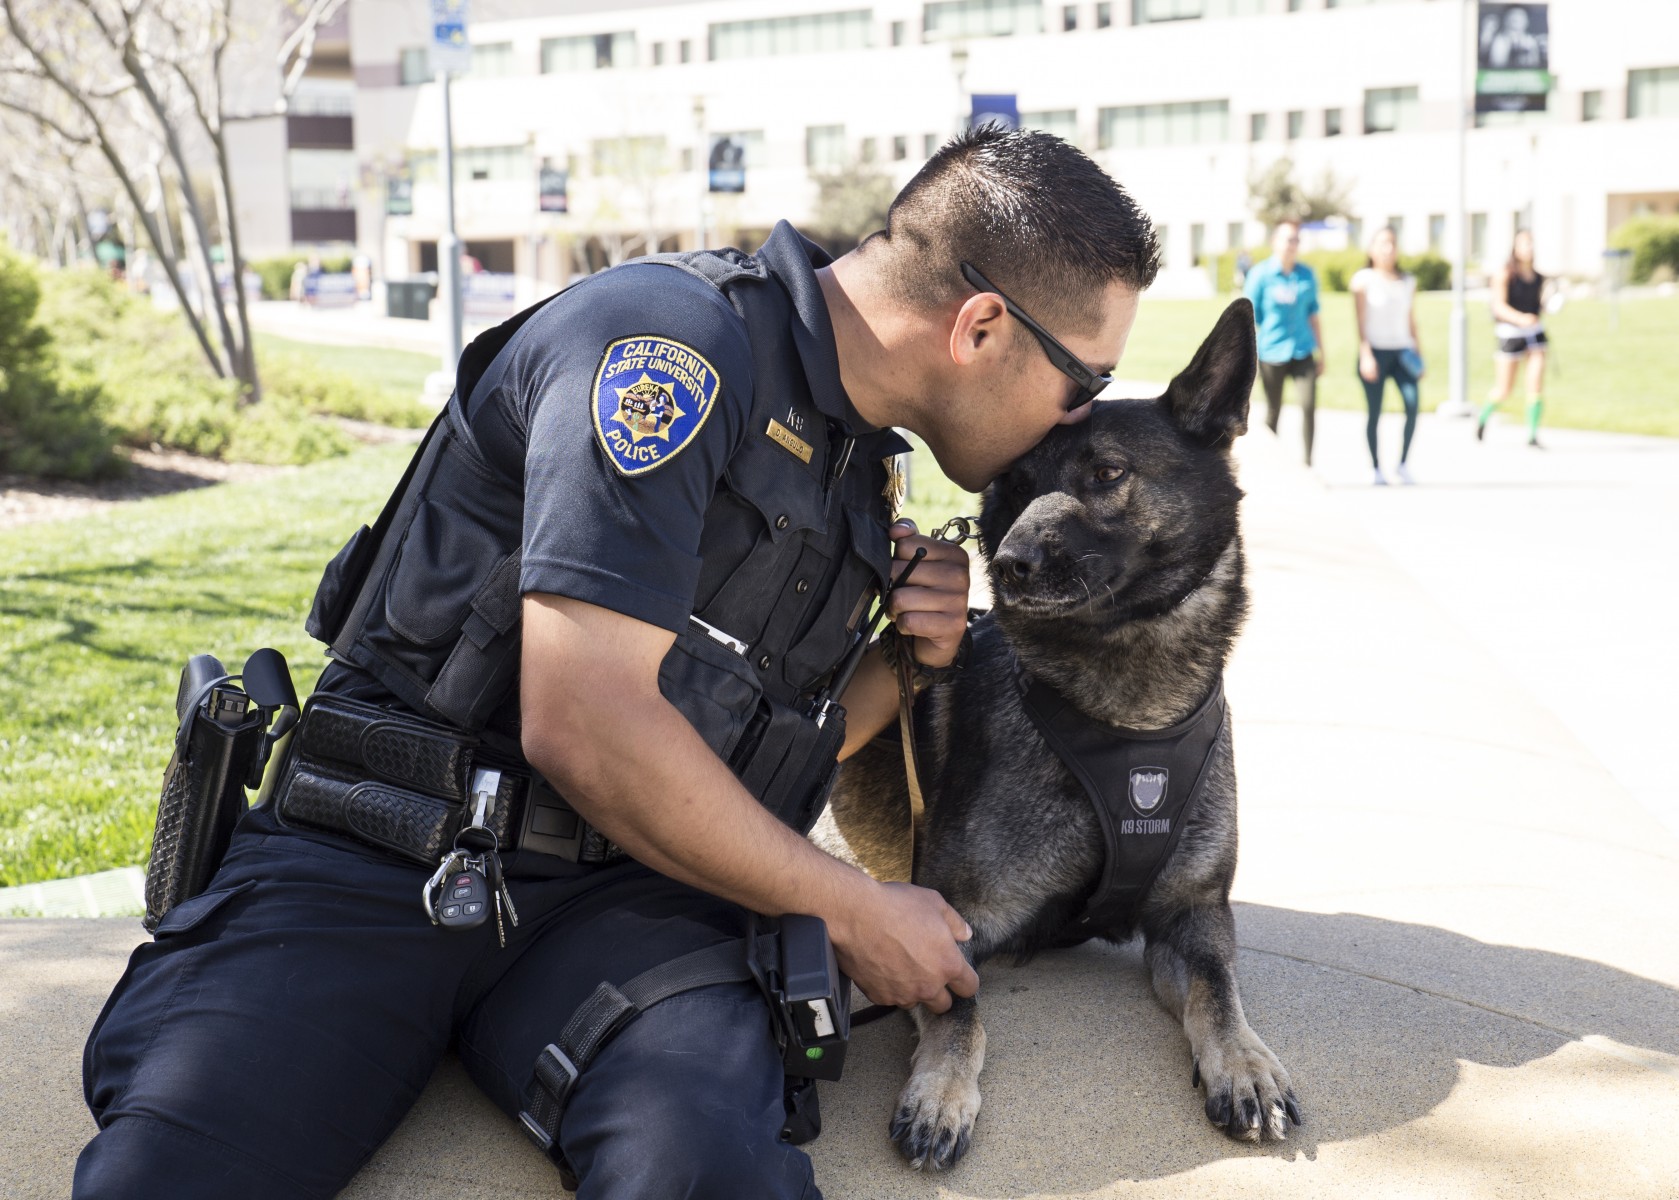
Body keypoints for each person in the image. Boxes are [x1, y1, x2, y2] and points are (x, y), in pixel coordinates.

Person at [75, 126, 1161, 1200]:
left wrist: (908, 663)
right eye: (1085, 379)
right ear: (980, 326)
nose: (1077, 418)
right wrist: (853, 908)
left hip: (628, 902)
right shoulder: (667, 347)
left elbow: (760, 750)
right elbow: (585, 722)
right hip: (381, 853)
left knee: (711, 1171)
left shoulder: (857, 465)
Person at [1244, 219, 1326, 466]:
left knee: (1309, 406)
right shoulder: (1260, 275)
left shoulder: (1306, 275)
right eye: (1288, 239)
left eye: (1296, 240)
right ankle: (1273, 463)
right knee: (1273, 411)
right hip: (1272, 351)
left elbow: (1313, 315)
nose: (1292, 244)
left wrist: (1322, 351)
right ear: (1274, 242)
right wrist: (1248, 358)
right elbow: (1248, 318)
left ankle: (1308, 463)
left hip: (1302, 350)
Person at [1351, 226, 1422, 485]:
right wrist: (1365, 354)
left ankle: (1402, 464)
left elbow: (1411, 320)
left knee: (1412, 404)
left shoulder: (1408, 281)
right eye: (1382, 243)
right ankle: (1375, 467)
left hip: (1403, 351)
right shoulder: (1363, 280)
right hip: (1376, 351)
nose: (1388, 248)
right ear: (1372, 249)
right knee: (1375, 411)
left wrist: (1419, 353)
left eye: (1392, 243)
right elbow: (1360, 321)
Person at [1478, 228, 1548, 448]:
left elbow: (1537, 306)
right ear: (1515, 248)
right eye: (1525, 243)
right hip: (1510, 333)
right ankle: (1483, 417)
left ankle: (1532, 434)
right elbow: (1498, 307)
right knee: (1504, 389)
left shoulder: (1538, 277)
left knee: (1535, 384)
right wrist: (1520, 319)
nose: (1529, 247)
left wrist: (1548, 304)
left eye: (1531, 243)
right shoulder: (1505, 275)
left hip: (1534, 333)